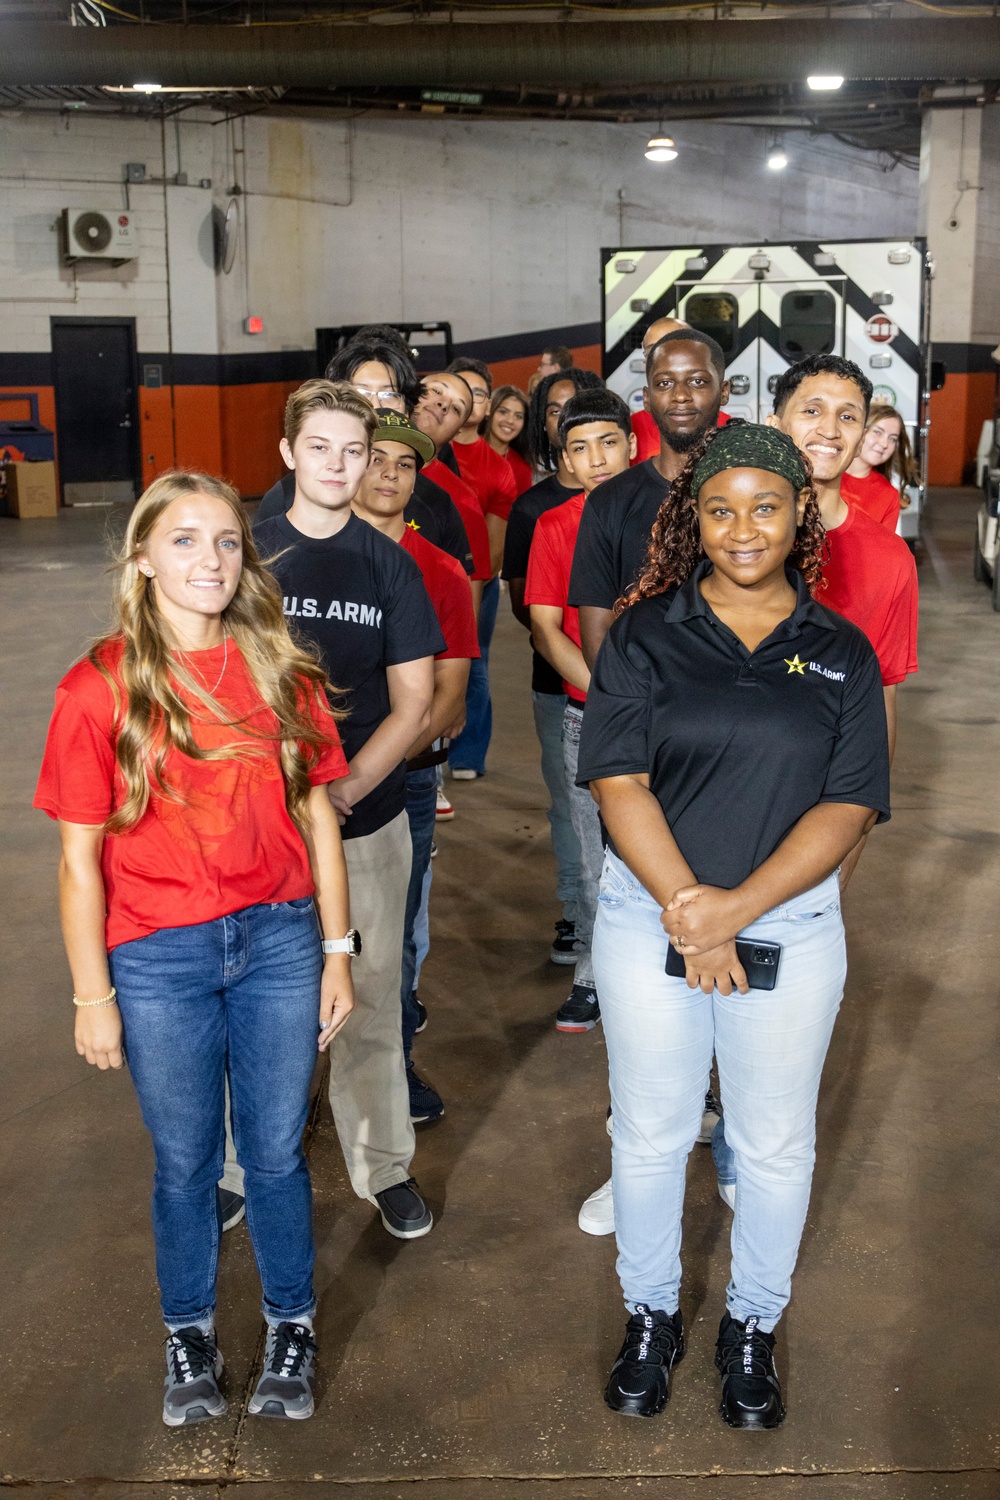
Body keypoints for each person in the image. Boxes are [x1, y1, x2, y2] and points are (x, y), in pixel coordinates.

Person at [579, 422, 891, 1427]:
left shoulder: (839, 649)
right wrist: (691, 913)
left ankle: (752, 1322)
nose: (743, 528)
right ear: (693, 520)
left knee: (772, 1146)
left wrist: (733, 914)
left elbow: (849, 803)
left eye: (765, 506)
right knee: (650, 1133)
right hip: (648, 921)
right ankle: (651, 1314)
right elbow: (618, 782)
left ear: (801, 514)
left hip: (789, 928)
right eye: (720, 509)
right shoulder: (643, 634)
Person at [34, 470, 357, 1426]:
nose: (209, 559)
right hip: (156, 959)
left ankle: (291, 1323)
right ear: (142, 559)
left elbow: (319, 819)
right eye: (183, 539)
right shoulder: (98, 687)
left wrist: (337, 951)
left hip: (280, 944)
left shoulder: (283, 672)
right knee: (183, 1162)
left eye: (225, 540)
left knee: (275, 1154)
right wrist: (93, 996)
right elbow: (77, 860)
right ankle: (189, 1333)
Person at [253, 379, 446, 1243]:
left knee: (367, 998)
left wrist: (345, 791)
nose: (338, 465)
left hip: (364, 822)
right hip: (255, 833)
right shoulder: (248, 553)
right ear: (289, 453)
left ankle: (384, 1165)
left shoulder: (389, 565)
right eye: (320, 447)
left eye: (354, 451)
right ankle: (238, 1166)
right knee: (255, 1006)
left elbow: (412, 702)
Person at [352, 407, 478, 1124]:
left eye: (404, 465)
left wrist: (365, 777)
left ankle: (391, 1069)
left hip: (404, 783)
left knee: (392, 934)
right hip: (311, 785)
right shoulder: (306, 557)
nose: (389, 475)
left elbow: (449, 695)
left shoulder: (441, 571)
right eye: (376, 458)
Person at [525, 389, 636, 1033]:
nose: (596, 459)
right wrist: (608, 698)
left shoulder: (673, 516)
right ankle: (593, 975)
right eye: (579, 448)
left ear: (631, 444)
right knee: (597, 860)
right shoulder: (554, 526)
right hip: (587, 717)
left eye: (608, 442)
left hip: (670, 721)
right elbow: (546, 629)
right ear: (564, 459)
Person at [502, 367, 604, 965]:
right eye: (559, 412)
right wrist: (592, 681)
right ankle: (578, 918)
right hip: (562, 687)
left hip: (627, 697)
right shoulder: (539, 514)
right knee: (573, 810)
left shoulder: (652, 510)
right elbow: (532, 612)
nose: (593, 453)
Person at [568, 330, 732, 672]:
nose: (681, 396)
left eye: (698, 381)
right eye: (664, 383)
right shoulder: (607, 502)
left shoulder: (748, 493)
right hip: (642, 698)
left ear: (724, 391)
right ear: (646, 397)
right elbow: (597, 637)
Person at [255, 336, 475, 579]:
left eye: (389, 395)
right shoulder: (286, 497)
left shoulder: (436, 504)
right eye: (360, 392)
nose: (374, 406)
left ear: (408, 408)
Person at [445, 357, 517, 779]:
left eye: (479, 394)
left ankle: (467, 754)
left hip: (477, 584)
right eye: (463, 392)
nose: (471, 401)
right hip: (422, 582)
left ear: (487, 405)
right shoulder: (424, 453)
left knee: (474, 666)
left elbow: (493, 545)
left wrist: (471, 587)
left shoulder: (498, 467)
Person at [842, 402, 916, 532]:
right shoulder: (824, 476)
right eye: (877, 432)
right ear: (860, 431)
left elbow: (884, 543)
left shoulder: (889, 495)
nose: (884, 444)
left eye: (892, 439)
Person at [483, 384, 533, 497]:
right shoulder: (465, 446)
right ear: (489, 410)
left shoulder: (522, 470)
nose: (510, 421)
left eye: (518, 416)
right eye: (503, 412)